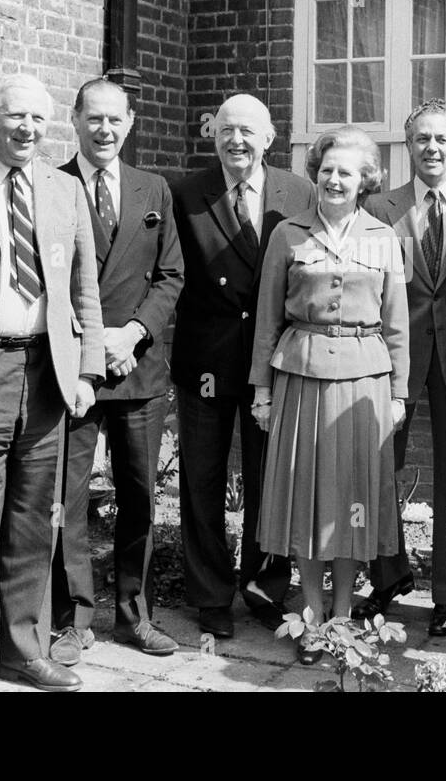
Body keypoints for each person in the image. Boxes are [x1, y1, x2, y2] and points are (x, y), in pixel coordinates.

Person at [0, 74, 105, 692]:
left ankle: (24, 647)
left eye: (39, 118)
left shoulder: (64, 190)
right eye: (16, 116)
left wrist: (87, 370)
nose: (29, 129)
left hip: (48, 371)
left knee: (36, 517)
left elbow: (84, 290)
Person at [250, 126, 410, 664]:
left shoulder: (383, 237)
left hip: (364, 386)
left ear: (365, 180)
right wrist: (262, 393)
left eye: (346, 172)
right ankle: (311, 612)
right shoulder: (287, 234)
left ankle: (344, 613)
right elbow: (267, 321)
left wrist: (399, 394)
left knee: (351, 501)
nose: (334, 180)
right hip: (300, 380)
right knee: (306, 498)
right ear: (315, 176)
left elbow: (397, 324)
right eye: (326, 171)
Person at [49, 78, 184, 665]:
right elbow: (46, 282)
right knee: (69, 499)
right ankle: (72, 621)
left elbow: (171, 275)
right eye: (93, 118)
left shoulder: (153, 188)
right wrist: (90, 343)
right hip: (73, 369)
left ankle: (136, 614)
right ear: (75, 120)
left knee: (138, 498)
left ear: (131, 124)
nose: (104, 130)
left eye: (115, 120)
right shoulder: (50, 186)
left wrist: (132, 333)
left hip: (137, 367)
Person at [170, 94, 314, 639]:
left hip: (272, 360)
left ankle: (264, 586)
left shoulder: (297, 191)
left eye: (248, 131)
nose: (237, 141)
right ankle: (209, 594)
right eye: (227, 130)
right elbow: (171, 274)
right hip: (205, 358)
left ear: (270, 137)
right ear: (213, 135)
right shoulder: (186, 192)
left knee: (269, 477)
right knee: (202, 479)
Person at [355, 100, 446, 632]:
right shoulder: (380, 209)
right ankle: (387, 575)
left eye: (441, 139)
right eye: (421, 140)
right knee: (377, 469)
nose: (431, 148)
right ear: (407, 147)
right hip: (391, 355)